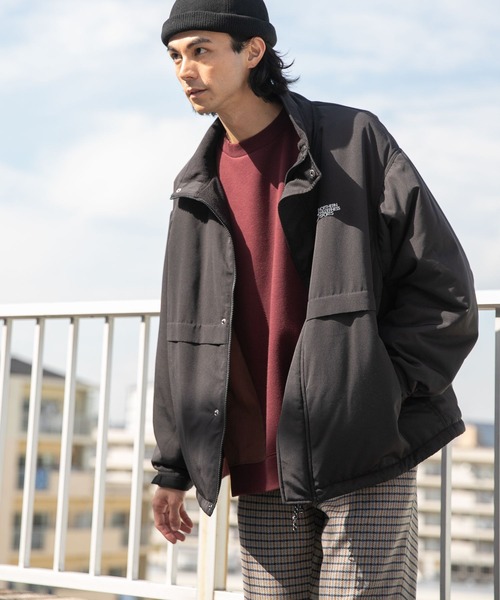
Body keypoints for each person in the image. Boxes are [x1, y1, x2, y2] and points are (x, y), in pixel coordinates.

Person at [151, 1, 478, 597]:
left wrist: (378, 390)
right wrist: (172, 466)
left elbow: (442, 282)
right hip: (259, 456)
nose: (185, 70)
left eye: (201, 51)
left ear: (254, 51)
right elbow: (181, 334)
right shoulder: (194, 188)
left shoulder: (353, 142)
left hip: (360, 448)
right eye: (175, 56)